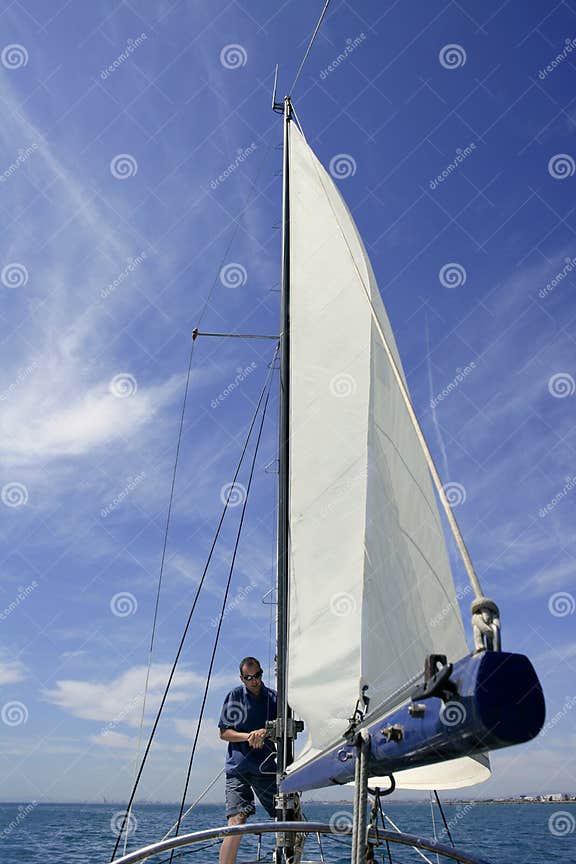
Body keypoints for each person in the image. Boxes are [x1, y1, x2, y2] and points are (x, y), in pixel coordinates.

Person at [218, 656, 277, 864]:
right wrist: (249, 736)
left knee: (288, 815)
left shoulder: (275, 698)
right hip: (239, 769)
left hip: (266, 769)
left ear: (261, 673)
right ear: (242, 678)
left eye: (257, 675)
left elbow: (287, 727)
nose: (254, 680)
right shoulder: (234, 696)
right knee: (237, 820)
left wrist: (266, 732)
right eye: (248, 677)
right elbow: (224, 733)